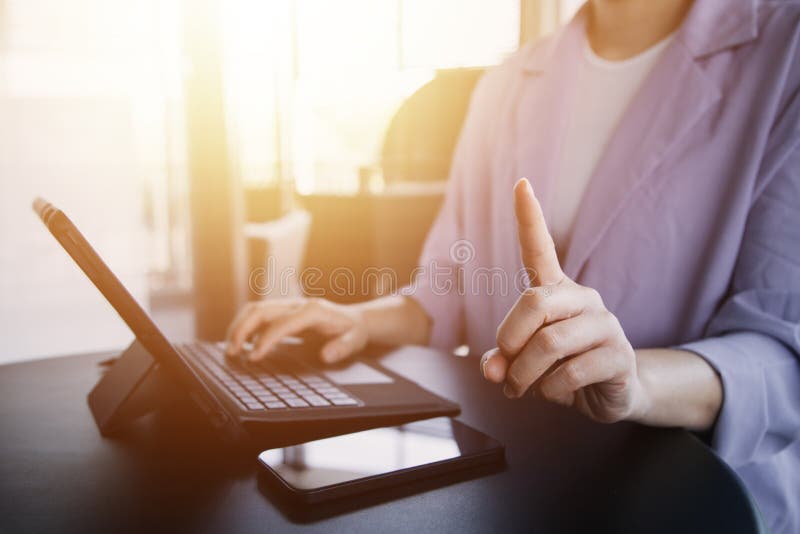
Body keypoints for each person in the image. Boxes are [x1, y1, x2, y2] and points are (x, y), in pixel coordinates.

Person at [226, 0, 800, 531]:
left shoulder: (785, 51)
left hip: (688, 502)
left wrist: (636, 382)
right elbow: (447, 286)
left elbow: (781, 353)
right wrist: (358, 319)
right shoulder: (506, 84)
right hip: (506, 489)